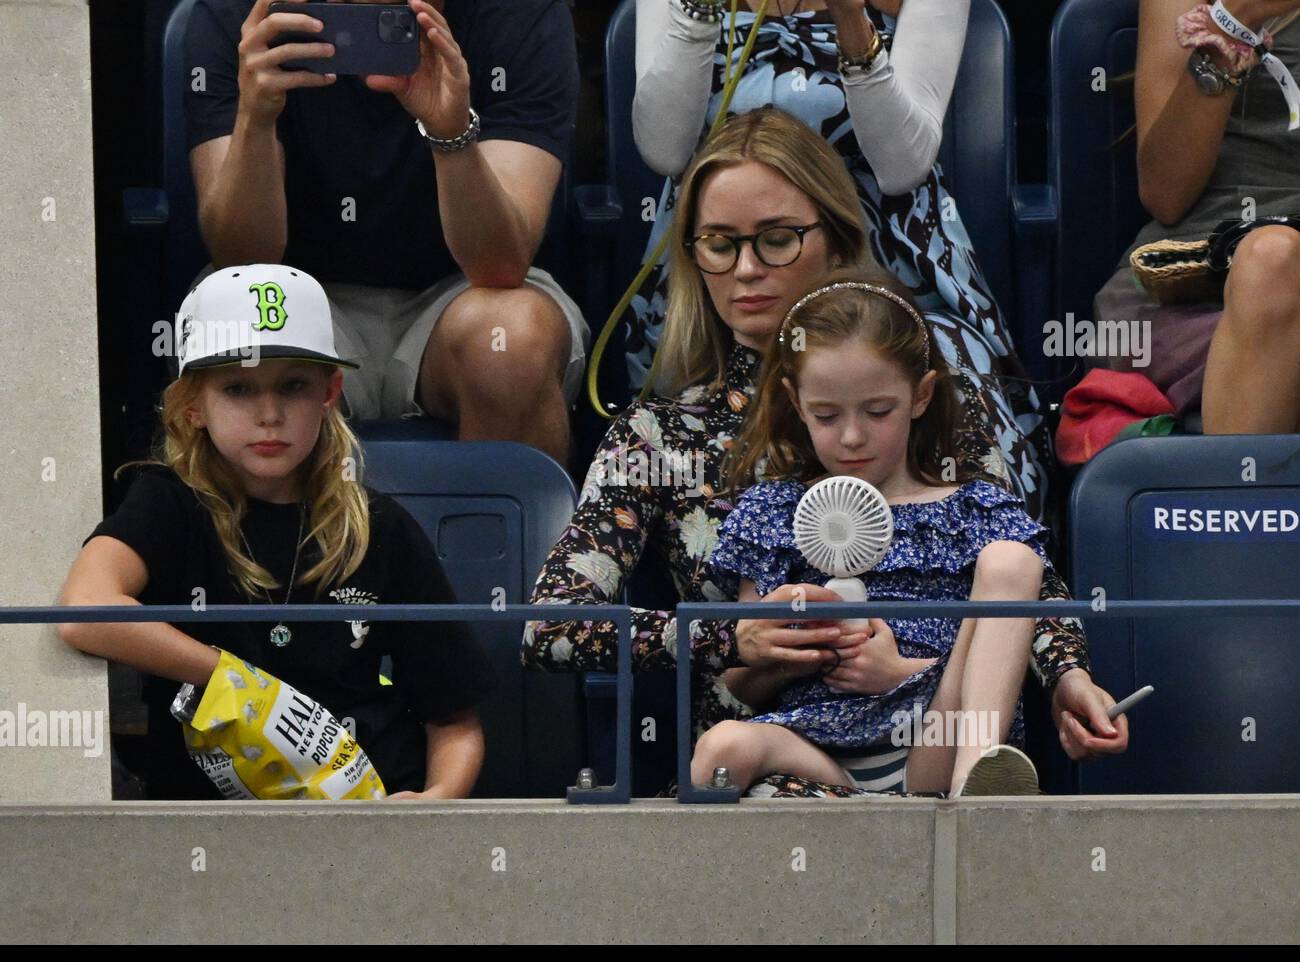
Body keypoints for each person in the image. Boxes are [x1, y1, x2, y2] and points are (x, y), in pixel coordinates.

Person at [522, 109, 1127, 798]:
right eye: (719, 244)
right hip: (771, 766)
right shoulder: (656, 435)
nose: (746, 268)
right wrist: (725, 637)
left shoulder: (929, 398)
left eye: (776, 239)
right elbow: (552, 626)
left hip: (936, 741)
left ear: (838, 238)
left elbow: (1016, 569)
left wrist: (1068, 678)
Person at [58, 265, 491, 799]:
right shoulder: (167, 503)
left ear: (330, 392)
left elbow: (454, 722)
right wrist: (236, 683)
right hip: (206, 836)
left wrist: (433, 802)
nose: (269, 415)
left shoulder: (378, 526)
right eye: (238, 388)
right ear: (192, 405)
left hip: (366, 818)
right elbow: (82, 612)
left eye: (293, 386)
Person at [624, 0, 1053, 520]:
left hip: (882, 261)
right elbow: (664, 149)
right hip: (725, 257)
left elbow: (902, 164)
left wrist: (851, 18)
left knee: (929, 363)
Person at [184, 0, 589, 464]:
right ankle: (266, 539)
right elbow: (242, 264)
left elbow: (500, 263)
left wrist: (450, 135)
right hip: (297, 296)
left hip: (462, 295)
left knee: (511, 341)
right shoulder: (241, 14)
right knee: (244, 329)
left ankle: (501, 537)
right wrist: (255, 120)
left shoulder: (519, 12)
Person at [697, 269, 1046, 797]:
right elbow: (742, 684)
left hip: (934, 740)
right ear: (796, 403)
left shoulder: (975, 509)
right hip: (814, 750)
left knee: (1012, 562)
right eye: (827, 415)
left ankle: (978, 784)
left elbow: (1000, 661)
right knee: (722, 746)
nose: (853, 436)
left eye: (878, 411)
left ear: (921, 396)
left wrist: (900, 671)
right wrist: (790, 650)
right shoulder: (772, 513)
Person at [1093, 0, 1300, 431]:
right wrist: (1234, 22)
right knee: (1271, 260)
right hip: (1205, 277)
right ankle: (1238, 496)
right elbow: (1166, 193)